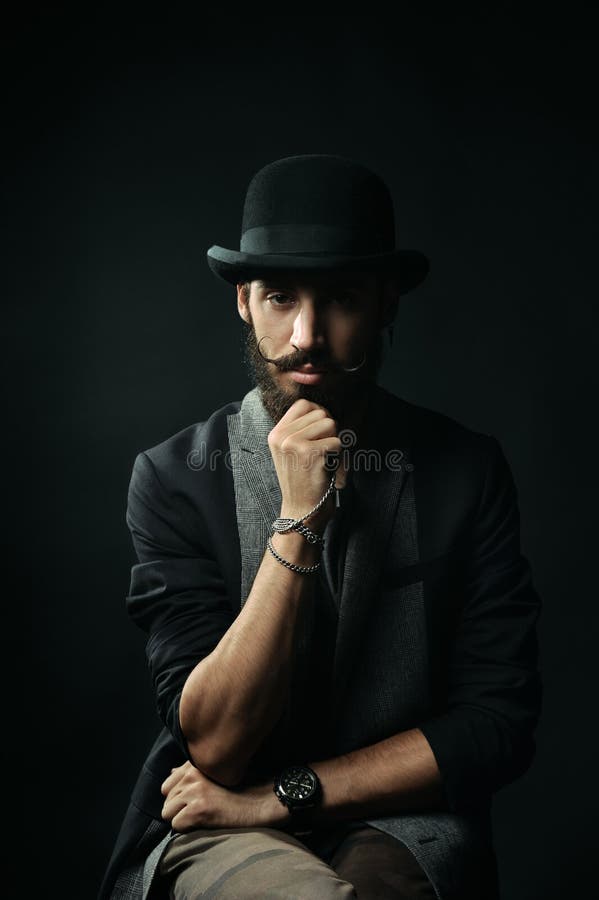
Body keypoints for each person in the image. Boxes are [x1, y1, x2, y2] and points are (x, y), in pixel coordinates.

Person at [99, 154, 543, 900]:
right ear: (244, 302)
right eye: (279, 297)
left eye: (339, 298)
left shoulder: (464, 470)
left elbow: (495, 725)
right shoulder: (174, 477)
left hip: (403, 821)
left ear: (386, 303)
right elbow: (214, 743)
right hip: (209, 820)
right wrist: (297, 520)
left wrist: (281, 796)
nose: (307, 335)